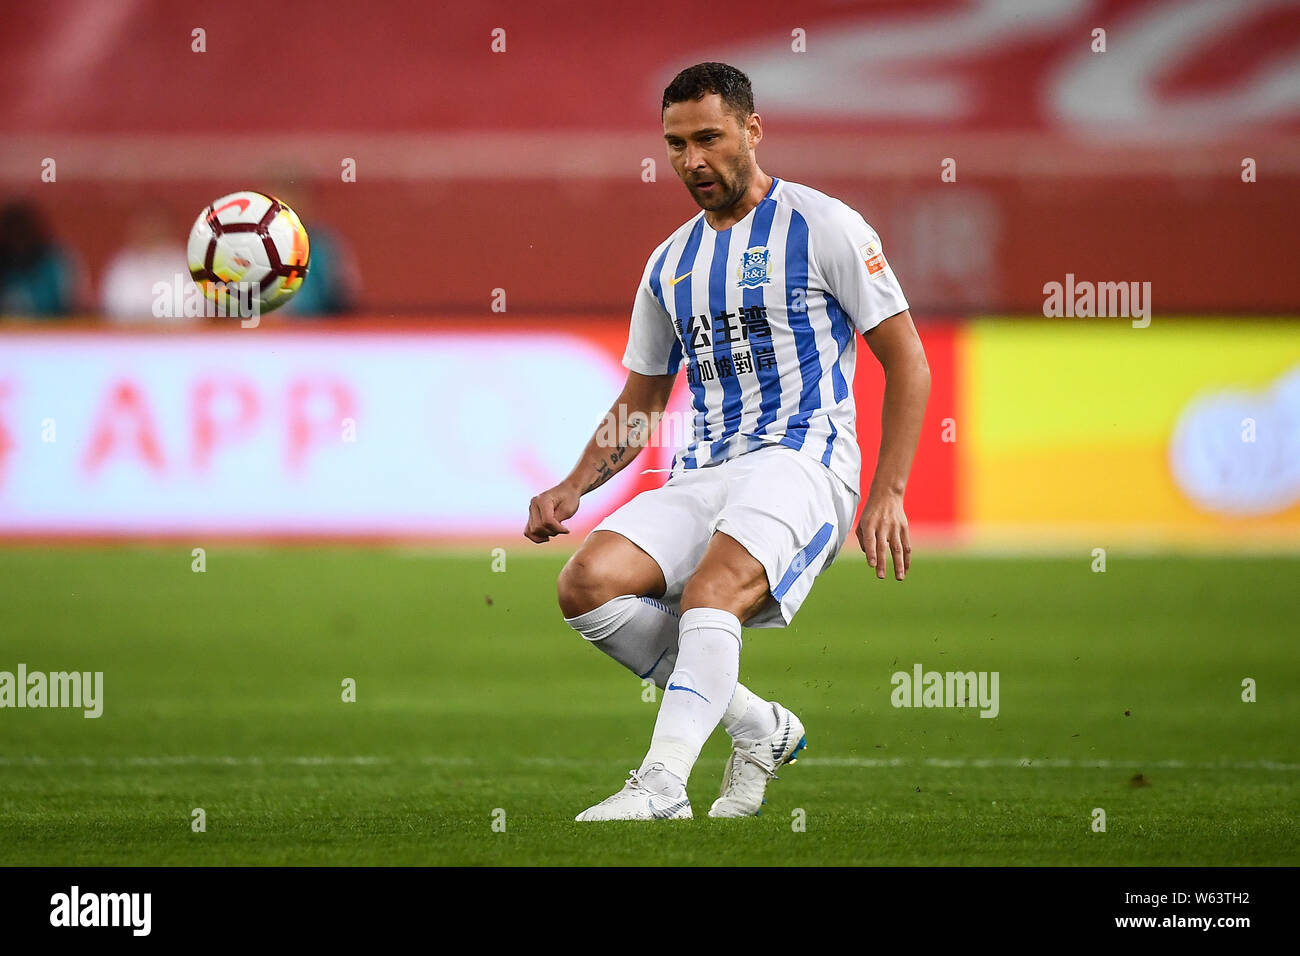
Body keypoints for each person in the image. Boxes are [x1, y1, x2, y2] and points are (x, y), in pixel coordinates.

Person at [524, 62, 931, 821]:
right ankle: (759, 726)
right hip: (703, 467)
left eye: (709, 137)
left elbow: (906, 358)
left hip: (802, 461)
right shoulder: (669, 263)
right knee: (586, 586)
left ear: (753, 129)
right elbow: (643, 399)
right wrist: (575, 485)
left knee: (715, 592)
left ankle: (661, 786)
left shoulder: (823, 225)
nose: (693, 160)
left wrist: (890, 490)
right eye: (676, 144)